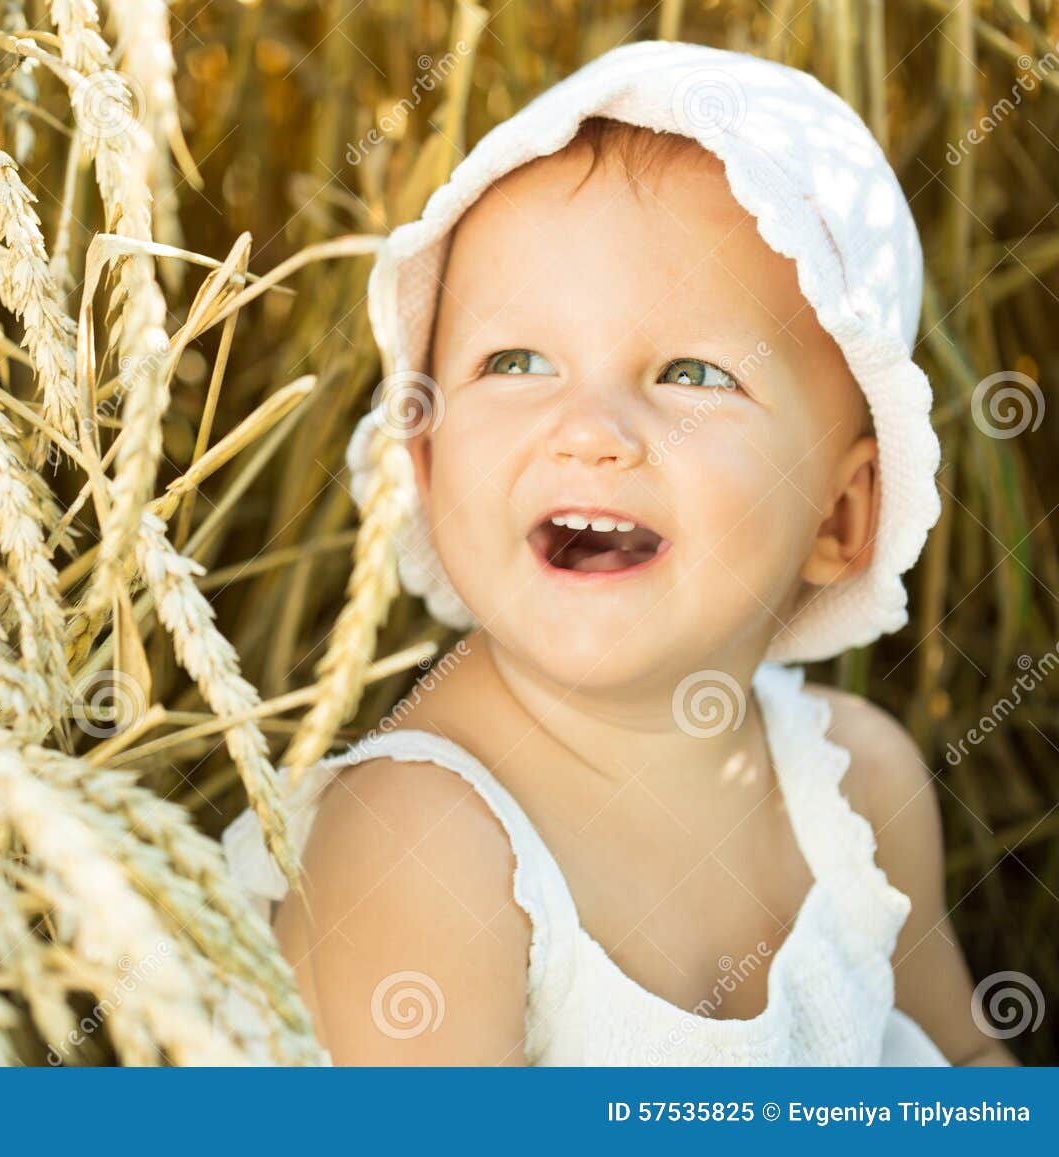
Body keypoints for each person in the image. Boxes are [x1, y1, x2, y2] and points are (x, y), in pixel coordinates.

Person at [220, 40, 1022, 1066]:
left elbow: (969, 1083)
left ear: (838, 517)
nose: (589, 428)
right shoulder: (420, 842)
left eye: (692, 372)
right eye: (515, 361)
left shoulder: (857, 792)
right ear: (421, 455)